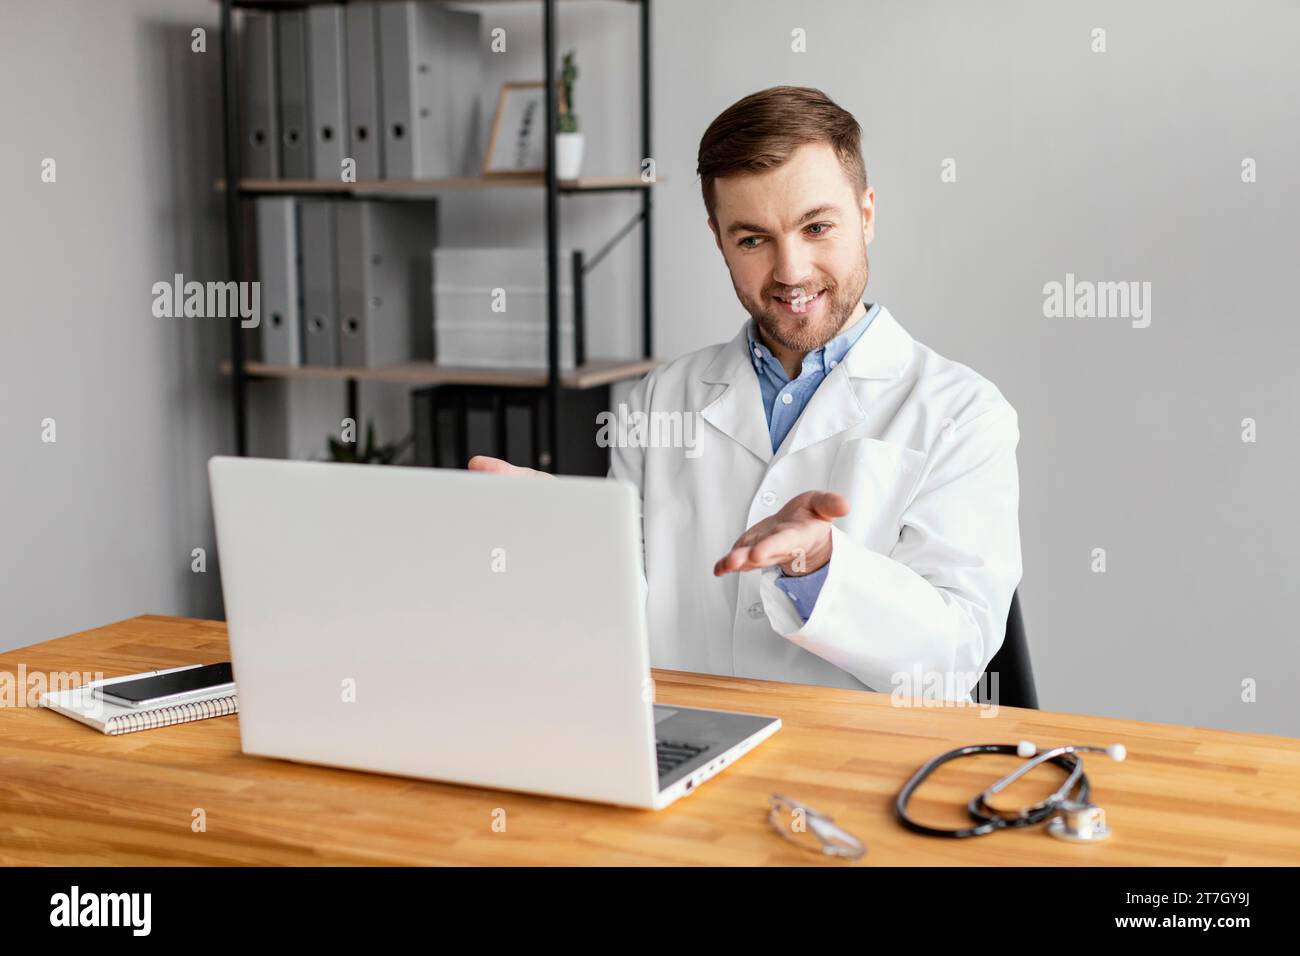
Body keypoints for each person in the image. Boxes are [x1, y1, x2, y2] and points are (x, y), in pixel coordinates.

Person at [470, 86, 1022, 700]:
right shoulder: (660, 401)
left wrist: (821, 568)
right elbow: (626, 614)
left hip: (855, 766)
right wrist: (571, 541)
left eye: (817, 227)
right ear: (719, 239)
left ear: (866, 214)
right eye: (753, 239)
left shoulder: (962, 413)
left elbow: (953, 662)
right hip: (681, 748)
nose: (790, 271)